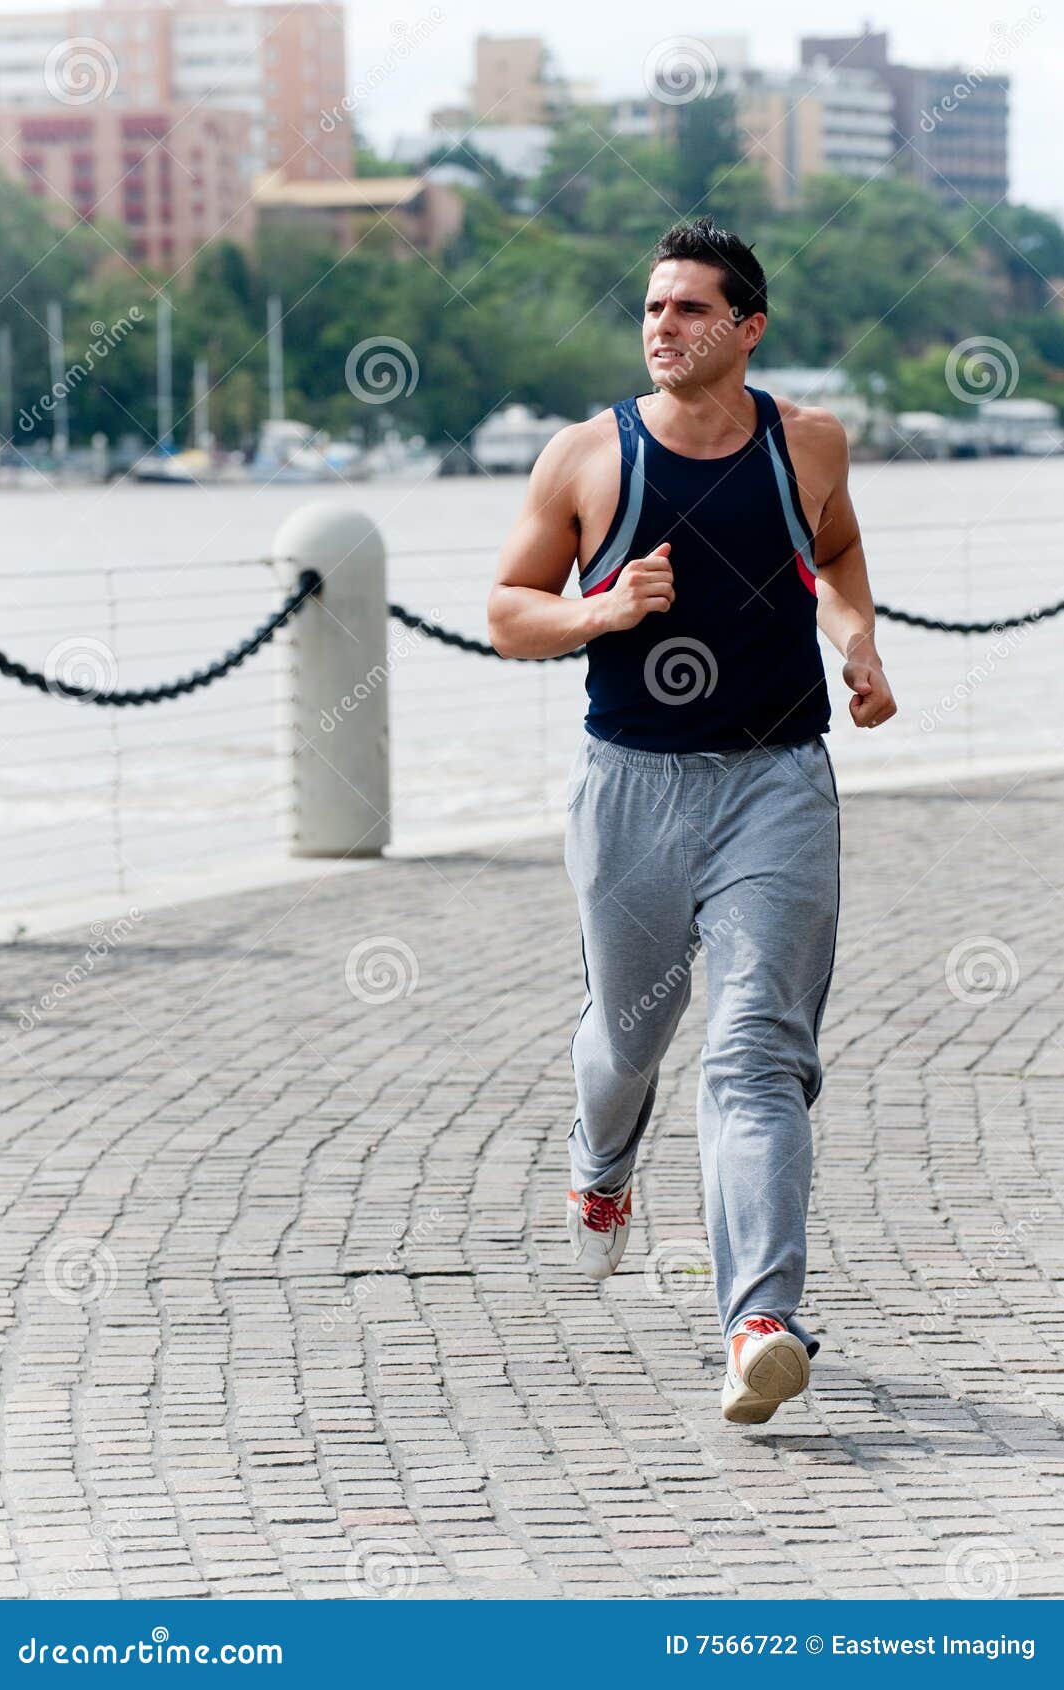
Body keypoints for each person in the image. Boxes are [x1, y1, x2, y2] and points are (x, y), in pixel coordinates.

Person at [487, 217, 897, 1424]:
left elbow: (832, 552)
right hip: (633, 788)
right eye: (652, 310)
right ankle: (599, 1164)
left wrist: (856, 640)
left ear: (747, 327)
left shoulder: (808, 441)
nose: (663, 328)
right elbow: (510, 610)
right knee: (630, 1035)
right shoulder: (585, 457)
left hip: (778, 782)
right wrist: (603, 613)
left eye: (689, 310)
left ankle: (759, 1323)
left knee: (757, 1053)